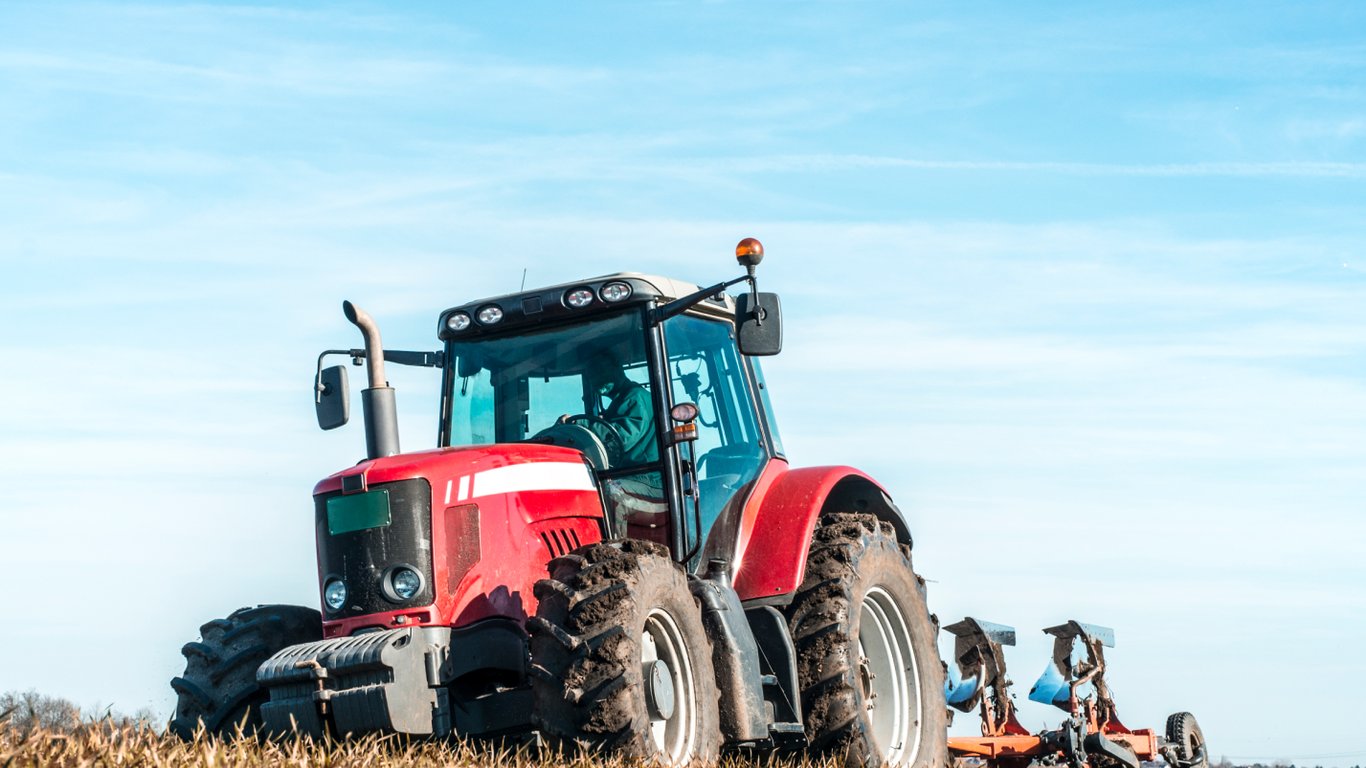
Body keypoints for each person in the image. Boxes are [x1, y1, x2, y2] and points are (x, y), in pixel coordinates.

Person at [583, 353, 657, 465]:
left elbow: (619, 439)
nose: (595, 379)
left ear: (617, 367)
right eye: (590, 375)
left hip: (643, 474)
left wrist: (580, 425)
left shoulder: (635, 398)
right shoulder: (622, 401)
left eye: (600, 371)